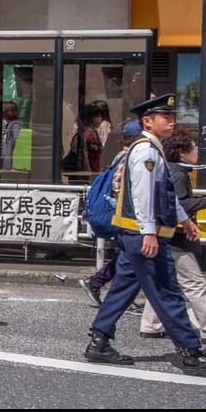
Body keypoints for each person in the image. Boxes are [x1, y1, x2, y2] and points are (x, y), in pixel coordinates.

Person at [84, 94, 206, 374]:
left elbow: (166, 193)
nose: (171, 122)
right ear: (148, 121)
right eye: (165, 117)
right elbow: (143, 194)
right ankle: (190, 350)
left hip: (137, 234)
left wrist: (184, 220)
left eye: (172, 117)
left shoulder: (152, 149)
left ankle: (99, 341)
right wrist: (148, 232)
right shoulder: (146, 151)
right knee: (166, 289)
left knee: (123, 288)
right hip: (143, 234)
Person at [136, 131, 206, 343]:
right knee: (195, 283)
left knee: (163, 281)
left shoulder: (170, 170)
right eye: (193, 148)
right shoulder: (178, 174)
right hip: (177, 237)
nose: (197, 152)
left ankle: (151, 325)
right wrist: (203, 202)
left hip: (166, 235)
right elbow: (177, 206)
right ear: (182, 152)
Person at [79, 119, 146, 316]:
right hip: (126, 217)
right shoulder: (129, 158)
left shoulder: (121, 155)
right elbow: (119, 187)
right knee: (133, 257)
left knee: (128, 257)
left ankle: (96, 283)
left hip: (123, 216)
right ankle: (115, 296)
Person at [0, 100, 21, 171]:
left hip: (9, 160)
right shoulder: (8, 125)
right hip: (6, 158)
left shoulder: (15, 125)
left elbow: (17, 142)